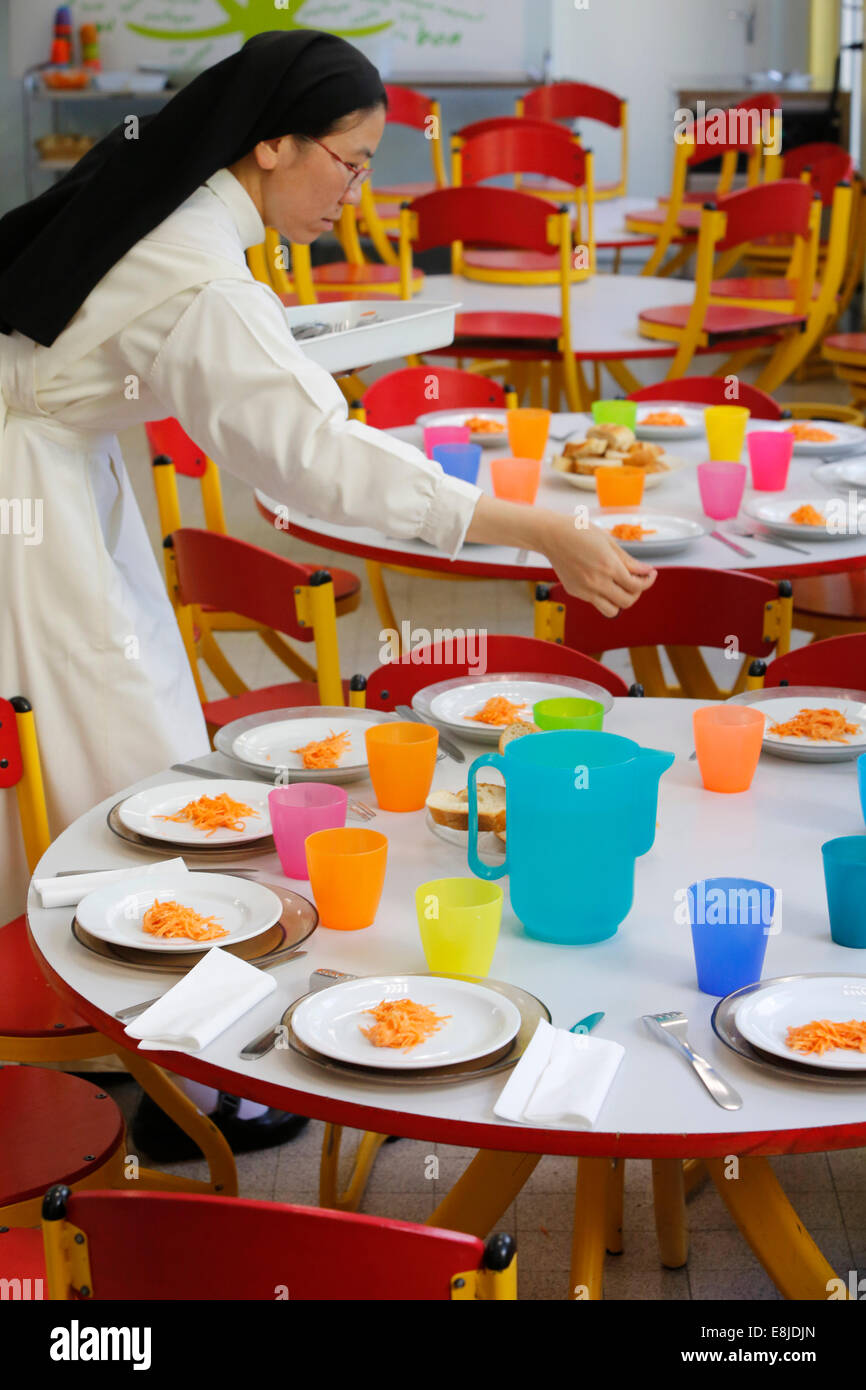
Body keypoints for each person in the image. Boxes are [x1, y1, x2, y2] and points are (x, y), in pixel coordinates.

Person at [0, 29, 655, 1153]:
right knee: (111, 751)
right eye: (349, 162)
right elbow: (313, 460)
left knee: (112, 737)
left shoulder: (177, 206)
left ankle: (118, 1043)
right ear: (271, 145)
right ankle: (165, 1076)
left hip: (48, 462)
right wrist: (530, 524)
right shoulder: (202, 271)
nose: (358, 194)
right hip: (27, 494)